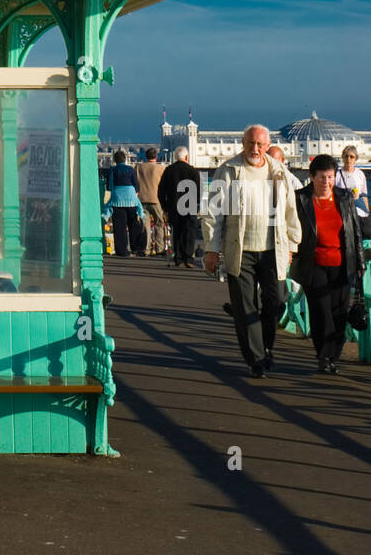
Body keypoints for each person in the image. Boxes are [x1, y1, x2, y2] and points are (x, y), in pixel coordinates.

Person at [203, 125, 301, 378]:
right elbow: (213, 213)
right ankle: (256, 359)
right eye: (250, 143)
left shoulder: (279, 171)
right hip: (241, 250)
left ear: (267, 146)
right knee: (245, 306)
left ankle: (266, 346)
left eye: (260, 144)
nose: (255, 149)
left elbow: (291, 210)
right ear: (243, 143)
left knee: (276, 301)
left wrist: (292, 244)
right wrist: (211, 250)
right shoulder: (229, 170)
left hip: (273, 249)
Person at [291, 154, 366, 374]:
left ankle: (335, 355)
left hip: (342, 264)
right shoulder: (300, 199)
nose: (327, 182)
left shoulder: (344, 198)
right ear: (312, 177)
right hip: (313, 263)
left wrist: (361, 262)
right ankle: (323, 357)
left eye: (331, 177)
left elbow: (356, 233)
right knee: (321, 311)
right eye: (322, 177)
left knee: (339, 312)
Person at [157, 146, 200, 269]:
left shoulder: (169, 170)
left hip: (173, 206)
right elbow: (198, 190)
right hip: (190, 206)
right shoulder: (193, 171)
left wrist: (165, 206)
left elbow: (161, 190)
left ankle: (178, 258)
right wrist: (196, 204)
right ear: (186, 157)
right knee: (190, 232)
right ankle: (189, 258)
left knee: (177, 232)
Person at [102, 150, 142, 257]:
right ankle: (135, 248)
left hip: (118, 200)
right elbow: (136, 186)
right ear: (125, 159)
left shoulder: (113, 170)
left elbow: (110, 186)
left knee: (119, 226)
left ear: (115, 160)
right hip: (131, 200)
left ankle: (122, 250)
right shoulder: (131, 170)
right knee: (133, 224)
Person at [137, 146, 167, 256]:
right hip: (156, 199)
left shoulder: (139, 167)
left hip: (142, 199)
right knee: (159, 224)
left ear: (146, 156)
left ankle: (146, 249)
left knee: (145, 225)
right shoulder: (161, 168)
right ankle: (159, 249)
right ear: (156, 156)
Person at [335, 146, 370, 233]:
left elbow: (364, 195)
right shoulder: (337, 175)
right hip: (343, 211)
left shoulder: (360, 174)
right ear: (342, 157)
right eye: (346, 156)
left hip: (359, 211)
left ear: (355, 159)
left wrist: (367, 212)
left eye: (352, 157)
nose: (348, 159)